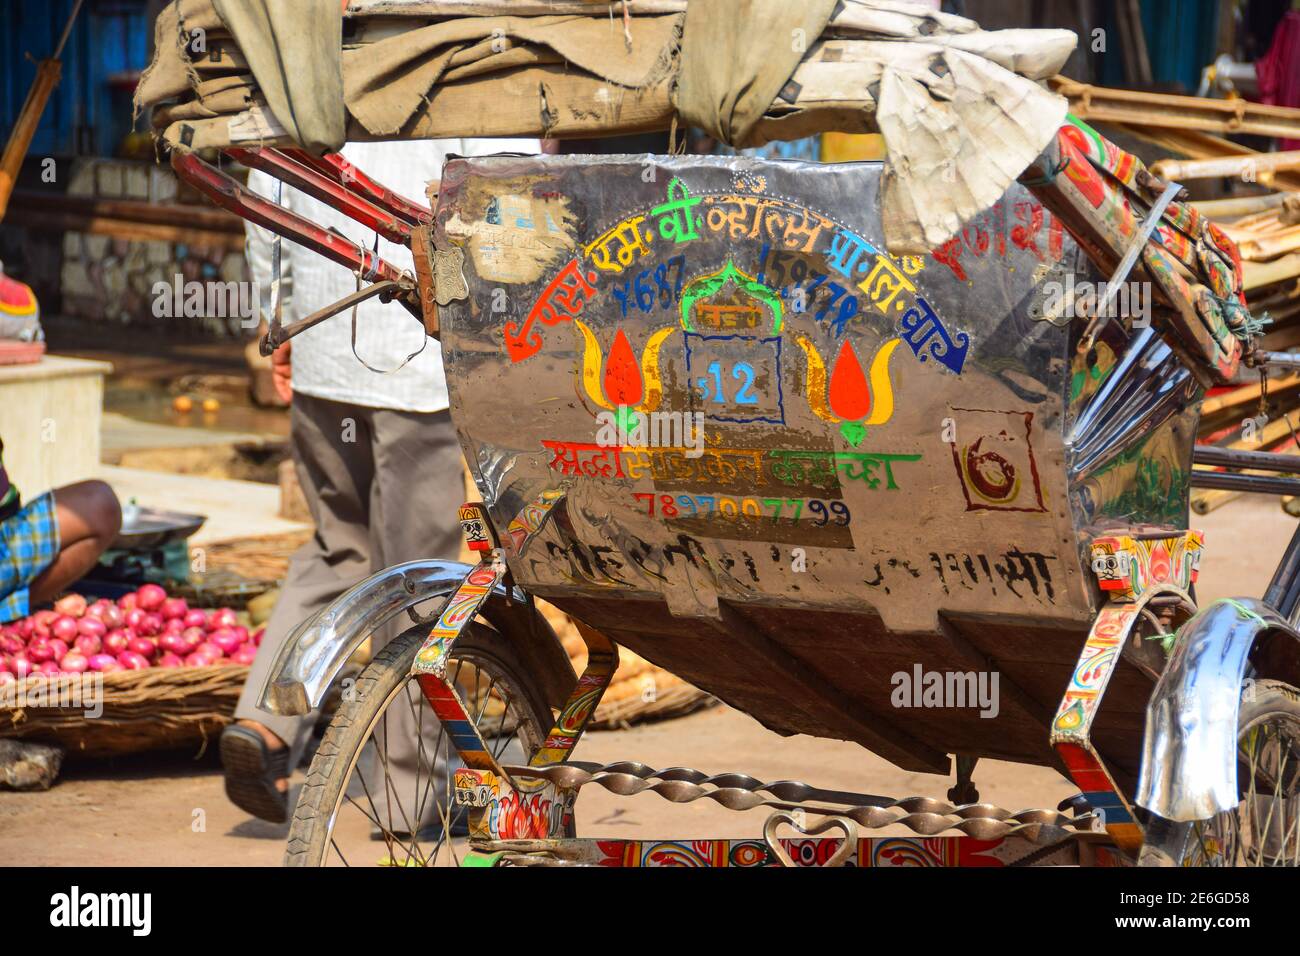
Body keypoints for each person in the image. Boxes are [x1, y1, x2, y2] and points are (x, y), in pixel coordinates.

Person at [221, 137, 536, 826]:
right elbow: (502, 204)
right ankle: (412, 785)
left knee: (340, 548)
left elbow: (263, 198)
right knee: (414, 575)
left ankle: (265, 725)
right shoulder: (443, 52)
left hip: (323, 350)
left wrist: (278, 325)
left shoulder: (294, 67)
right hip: (413, 366)